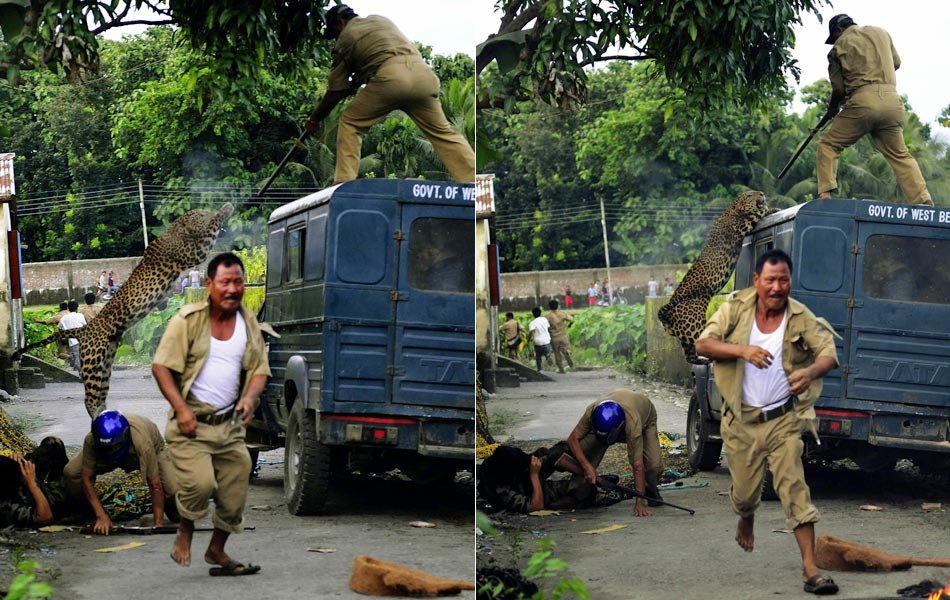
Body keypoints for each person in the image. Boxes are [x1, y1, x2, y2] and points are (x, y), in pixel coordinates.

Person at [694, 249, 840, 596]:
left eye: (784, 280)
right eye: (771, 280)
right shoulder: (735, 309)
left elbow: (828, 353)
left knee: (794, 489)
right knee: (745, 496)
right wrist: (743, 351)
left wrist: (810, 371)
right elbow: (703, 343)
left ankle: (810, 570)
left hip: (782, 420)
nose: (777, 287)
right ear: (757, 280)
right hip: (740, 423)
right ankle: (747, 516)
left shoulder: (799, 316)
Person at [152, 252, 270, 575]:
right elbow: (161, 367)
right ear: (209, 285)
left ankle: (216, 549)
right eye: (225, 282)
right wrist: (180, 409)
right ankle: (185, 531)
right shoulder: (187, 321)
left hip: (228, 425)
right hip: (191, 424)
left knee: (237, 483)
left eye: (238, 282)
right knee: (201, 485)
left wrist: (248, 398)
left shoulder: (248, 324)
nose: (232, 289)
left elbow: (260, 370)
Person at [303, 5, 475, 184]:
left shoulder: (345, 38)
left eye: (335, 32)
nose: (336, 38)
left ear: (341, 22)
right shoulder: (380, 20)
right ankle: (471, 179)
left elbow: (335, 91)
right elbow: (376, 55)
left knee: (350, 122)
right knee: (443, 132)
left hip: (392, 79)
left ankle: (344, 183)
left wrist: (314, 119)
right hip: (424, 76)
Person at [816, 14, 932, 206]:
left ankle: (825, 196)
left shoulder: (838, 47)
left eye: (834, 37)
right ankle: (923, 199)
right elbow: (896, 63)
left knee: (828, 145)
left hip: (862, 102)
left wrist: (832, 110)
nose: (835, 41)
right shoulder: (881, 32)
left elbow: (838, 89)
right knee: (900, 155)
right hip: (892, 102)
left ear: (838, 30)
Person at [63, 410, 178, 535]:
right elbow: (87, 478)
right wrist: (101, 515)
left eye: (114, 447)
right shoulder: (91, 440)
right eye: (107, 447)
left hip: (147, 448)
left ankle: (168, 505)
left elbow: (155, 485)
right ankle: (87, 509)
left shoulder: (143, 444)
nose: (111, 450)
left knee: (171, 489)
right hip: (104, 453)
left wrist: (158, 525)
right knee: (72, 473)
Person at [565, 390, 663, 518]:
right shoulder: (592, 412)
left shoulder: (632, 425)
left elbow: (637, 466)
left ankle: (650, 488)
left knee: (653, 466)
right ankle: (577, 489)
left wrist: (640, 502)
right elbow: (572, 439)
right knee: (580, 450)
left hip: (646, 417)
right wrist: (586, 466)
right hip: (606, 428)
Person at [0, 437, 70, 527]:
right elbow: (45, 518)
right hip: (32, 496)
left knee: (52, 443)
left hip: (16, 476)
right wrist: (32, 484)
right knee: (71, 482)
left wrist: (14, 458)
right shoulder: (5, 508)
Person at [545, 300, 574, 374]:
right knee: (566, 348)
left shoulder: (547, 317)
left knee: (557, 353)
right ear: (557, 306)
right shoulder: (562, 314)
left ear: (549, 307)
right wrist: (569, 325)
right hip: (563, 336)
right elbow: (572, 319)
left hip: (554, 337)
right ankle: (567, 353)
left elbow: (545, 327)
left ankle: (561, 369)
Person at [58, 300, 87, 370]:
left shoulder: (63, 318)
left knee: (76, 357)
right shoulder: (80, 316)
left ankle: (80, 373)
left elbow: (59, 328)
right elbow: (85, 326)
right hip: (82, 339)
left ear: (68, 308)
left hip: (72, 342)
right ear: (77, 308)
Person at [527, 307, 553, 372]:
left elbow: (530, 332)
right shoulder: (545, 320)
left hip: (537, 341)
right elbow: (549, 328)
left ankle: (540, 369)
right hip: (546, 340)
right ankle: (548, 356)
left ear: (533, 314)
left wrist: (528, 339)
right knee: (547, 351)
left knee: (538, 357)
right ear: (540, 313)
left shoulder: (532, 323)